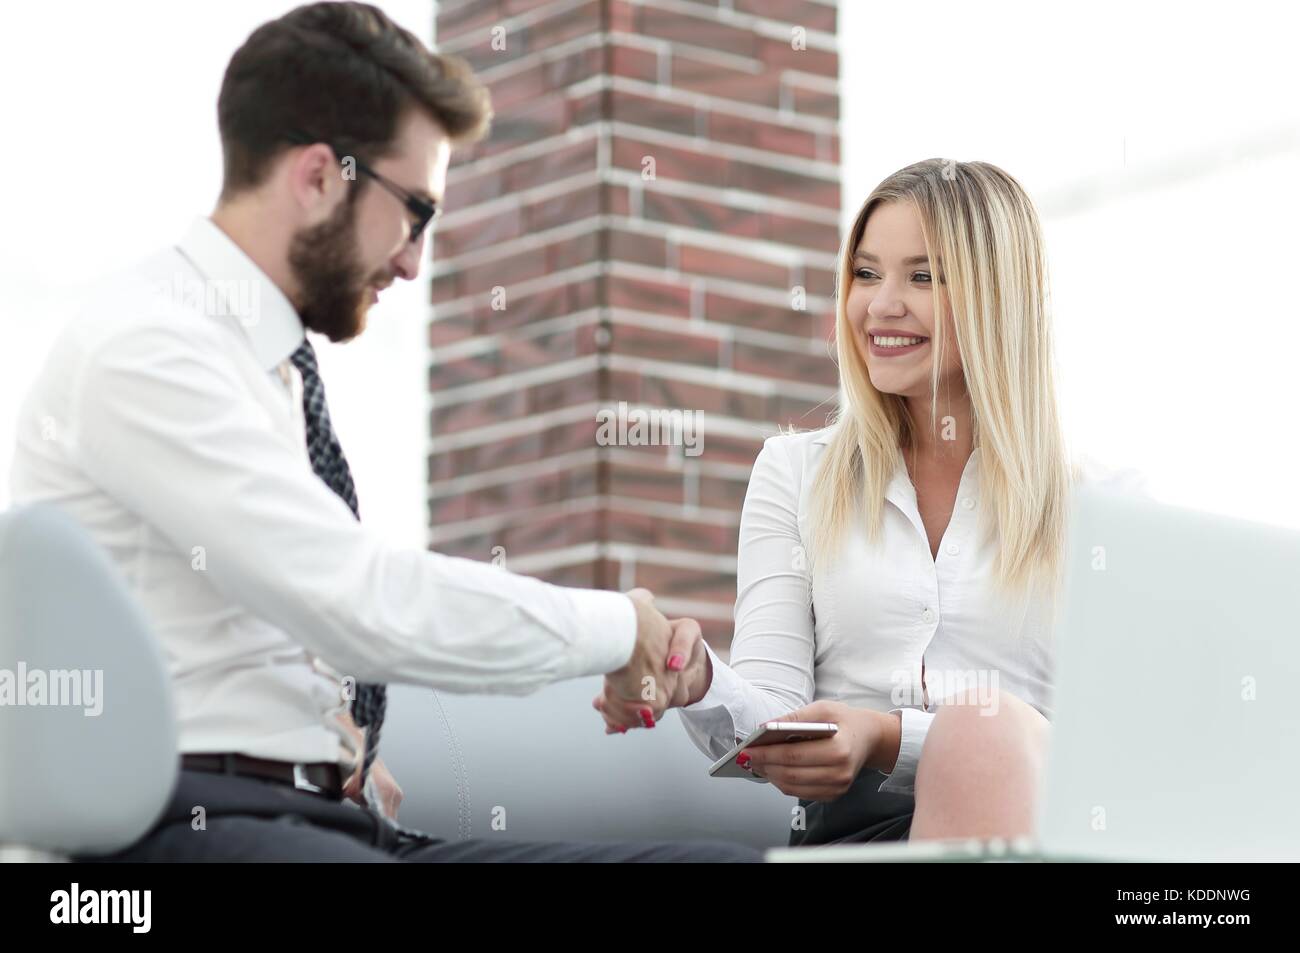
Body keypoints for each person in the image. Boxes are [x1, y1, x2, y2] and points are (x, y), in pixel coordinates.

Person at [8, 1, 756, 863]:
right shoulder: (153, 347)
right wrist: (623, 627)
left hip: (317, 818)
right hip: (187, 831)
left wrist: (329, 748)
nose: (413, 260)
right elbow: (357, 597)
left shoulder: (266, 365)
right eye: (415, 211)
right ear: (320, 176)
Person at [595, 158, 1147, 847]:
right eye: (864, 273)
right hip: (850, 839)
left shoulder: (1105, 506)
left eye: (923, 276)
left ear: (1002, 296)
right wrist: (698, 677)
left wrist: (888, 736)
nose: (880, 305)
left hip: (1043, 833)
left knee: (988, 733)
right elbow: (773, 720)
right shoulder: (795, 471)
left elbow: (1120, 756)